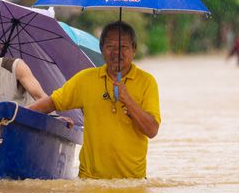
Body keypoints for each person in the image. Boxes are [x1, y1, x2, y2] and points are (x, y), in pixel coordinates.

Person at [28, 21, 160, 180]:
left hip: (132, 182)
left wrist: (129, 101)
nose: (116, 52)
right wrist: (12, 115)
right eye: (110, 46)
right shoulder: (85, 79)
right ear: (101, 49)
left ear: (134, 50)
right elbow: (51, 103)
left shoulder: (147, 82)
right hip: (90, 181)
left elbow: (152, 130)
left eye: (123, 47)